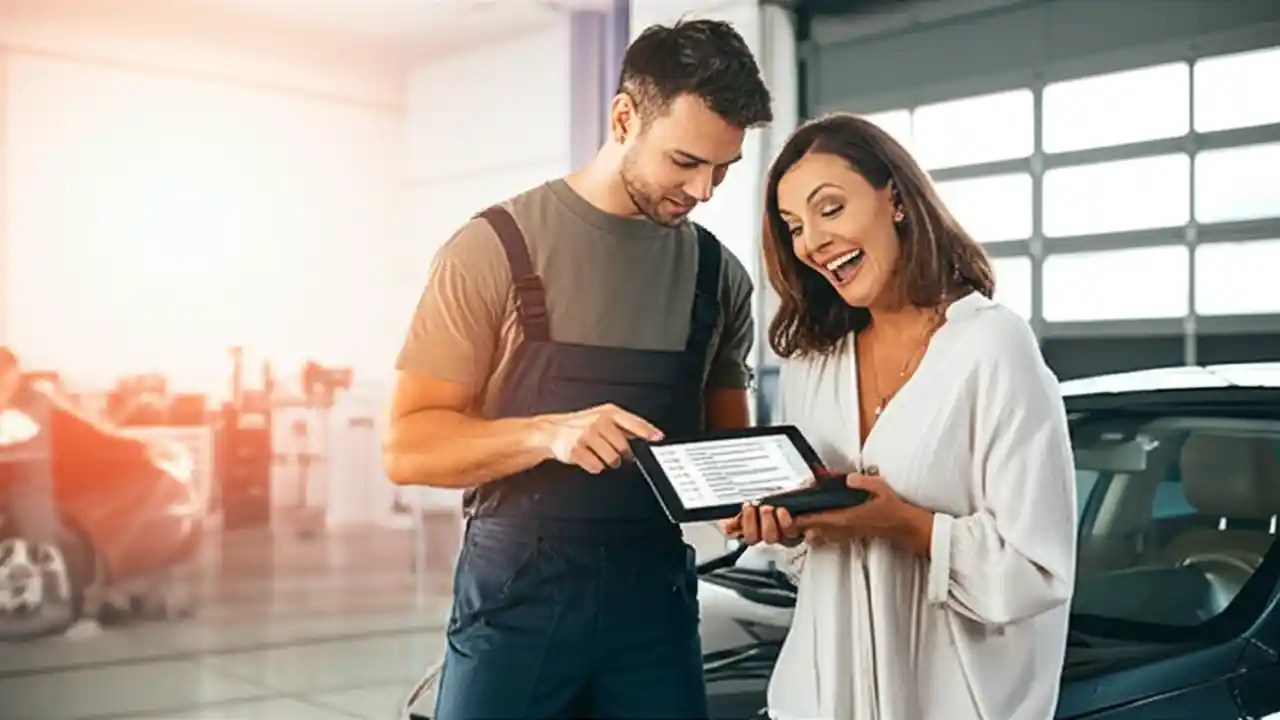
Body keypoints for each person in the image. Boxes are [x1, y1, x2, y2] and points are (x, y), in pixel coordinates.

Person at [383, 19, 772, 720]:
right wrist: (547, 434)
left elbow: (725, 462)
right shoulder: (493, 251)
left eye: (723, 168)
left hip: (655, 614)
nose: (704, 190)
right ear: (624, 118)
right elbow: (408, 447)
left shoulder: (719, 279)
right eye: (685, 161)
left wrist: (772, 503)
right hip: (515, 609)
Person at [721, 114, 1077, 720]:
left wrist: (904, 524)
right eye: (794, 226)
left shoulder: (992, 347)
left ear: (896, 199)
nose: (811, 242)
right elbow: (813, 568)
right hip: (818, 700)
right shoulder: (814, 361)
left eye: (830, 208)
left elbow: (1035, 570)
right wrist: (789, 530)